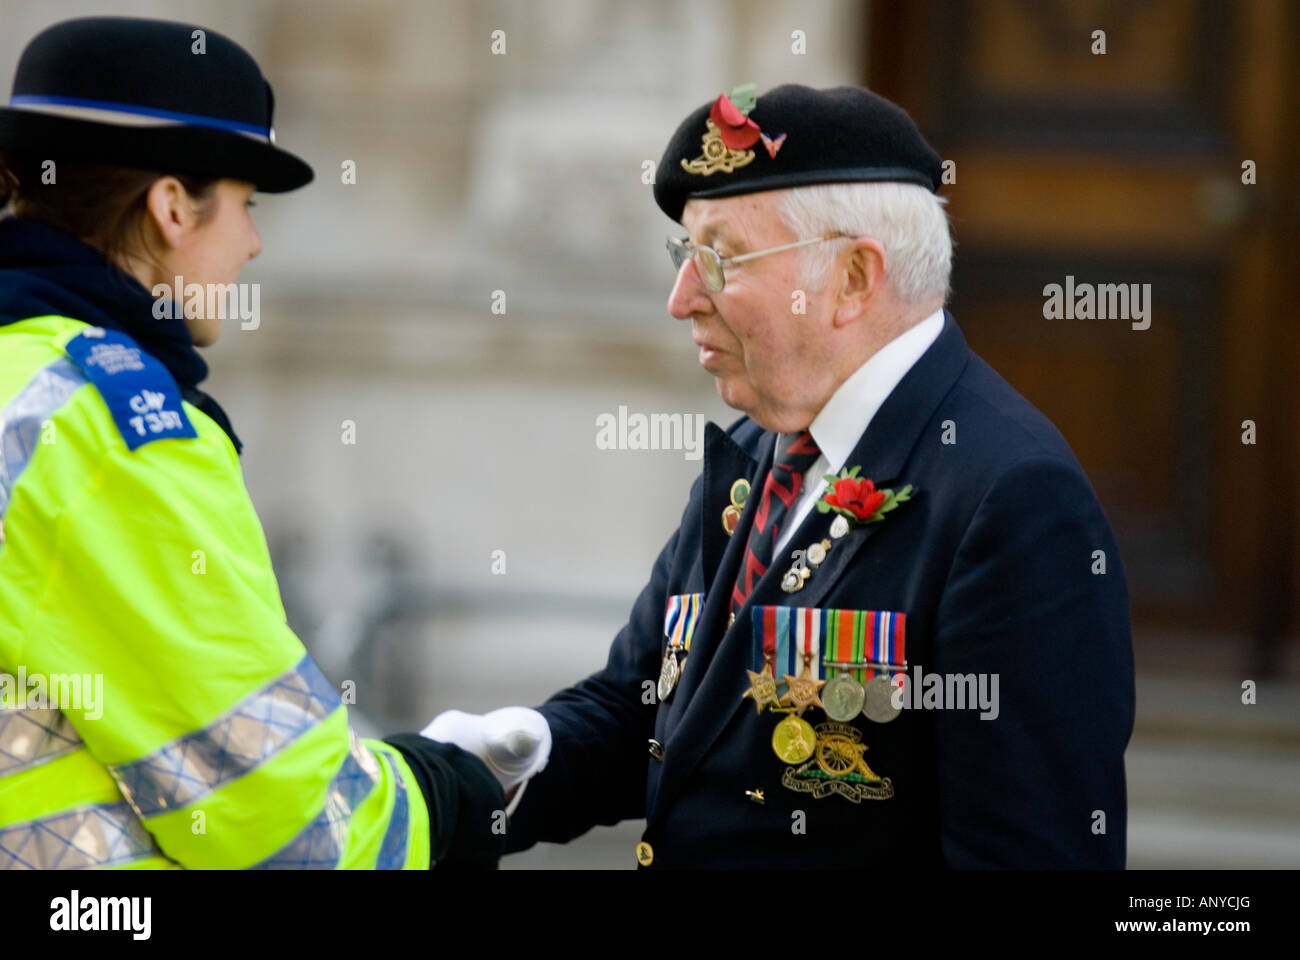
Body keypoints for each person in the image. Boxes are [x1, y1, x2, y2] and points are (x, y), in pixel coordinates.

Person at [431, 83, 1135, 868]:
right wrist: (465, 778)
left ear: (853, 282)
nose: (681, 298)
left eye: (720, 258)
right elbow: (646, 713)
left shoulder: (1010, 498)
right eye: (684, 255)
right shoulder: (762, 445)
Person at [0, 16, 547, 870]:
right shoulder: (108, 424)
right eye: (245, 207)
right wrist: (450, 788)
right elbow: (270, 806)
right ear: (173, 206)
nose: (253, 243)